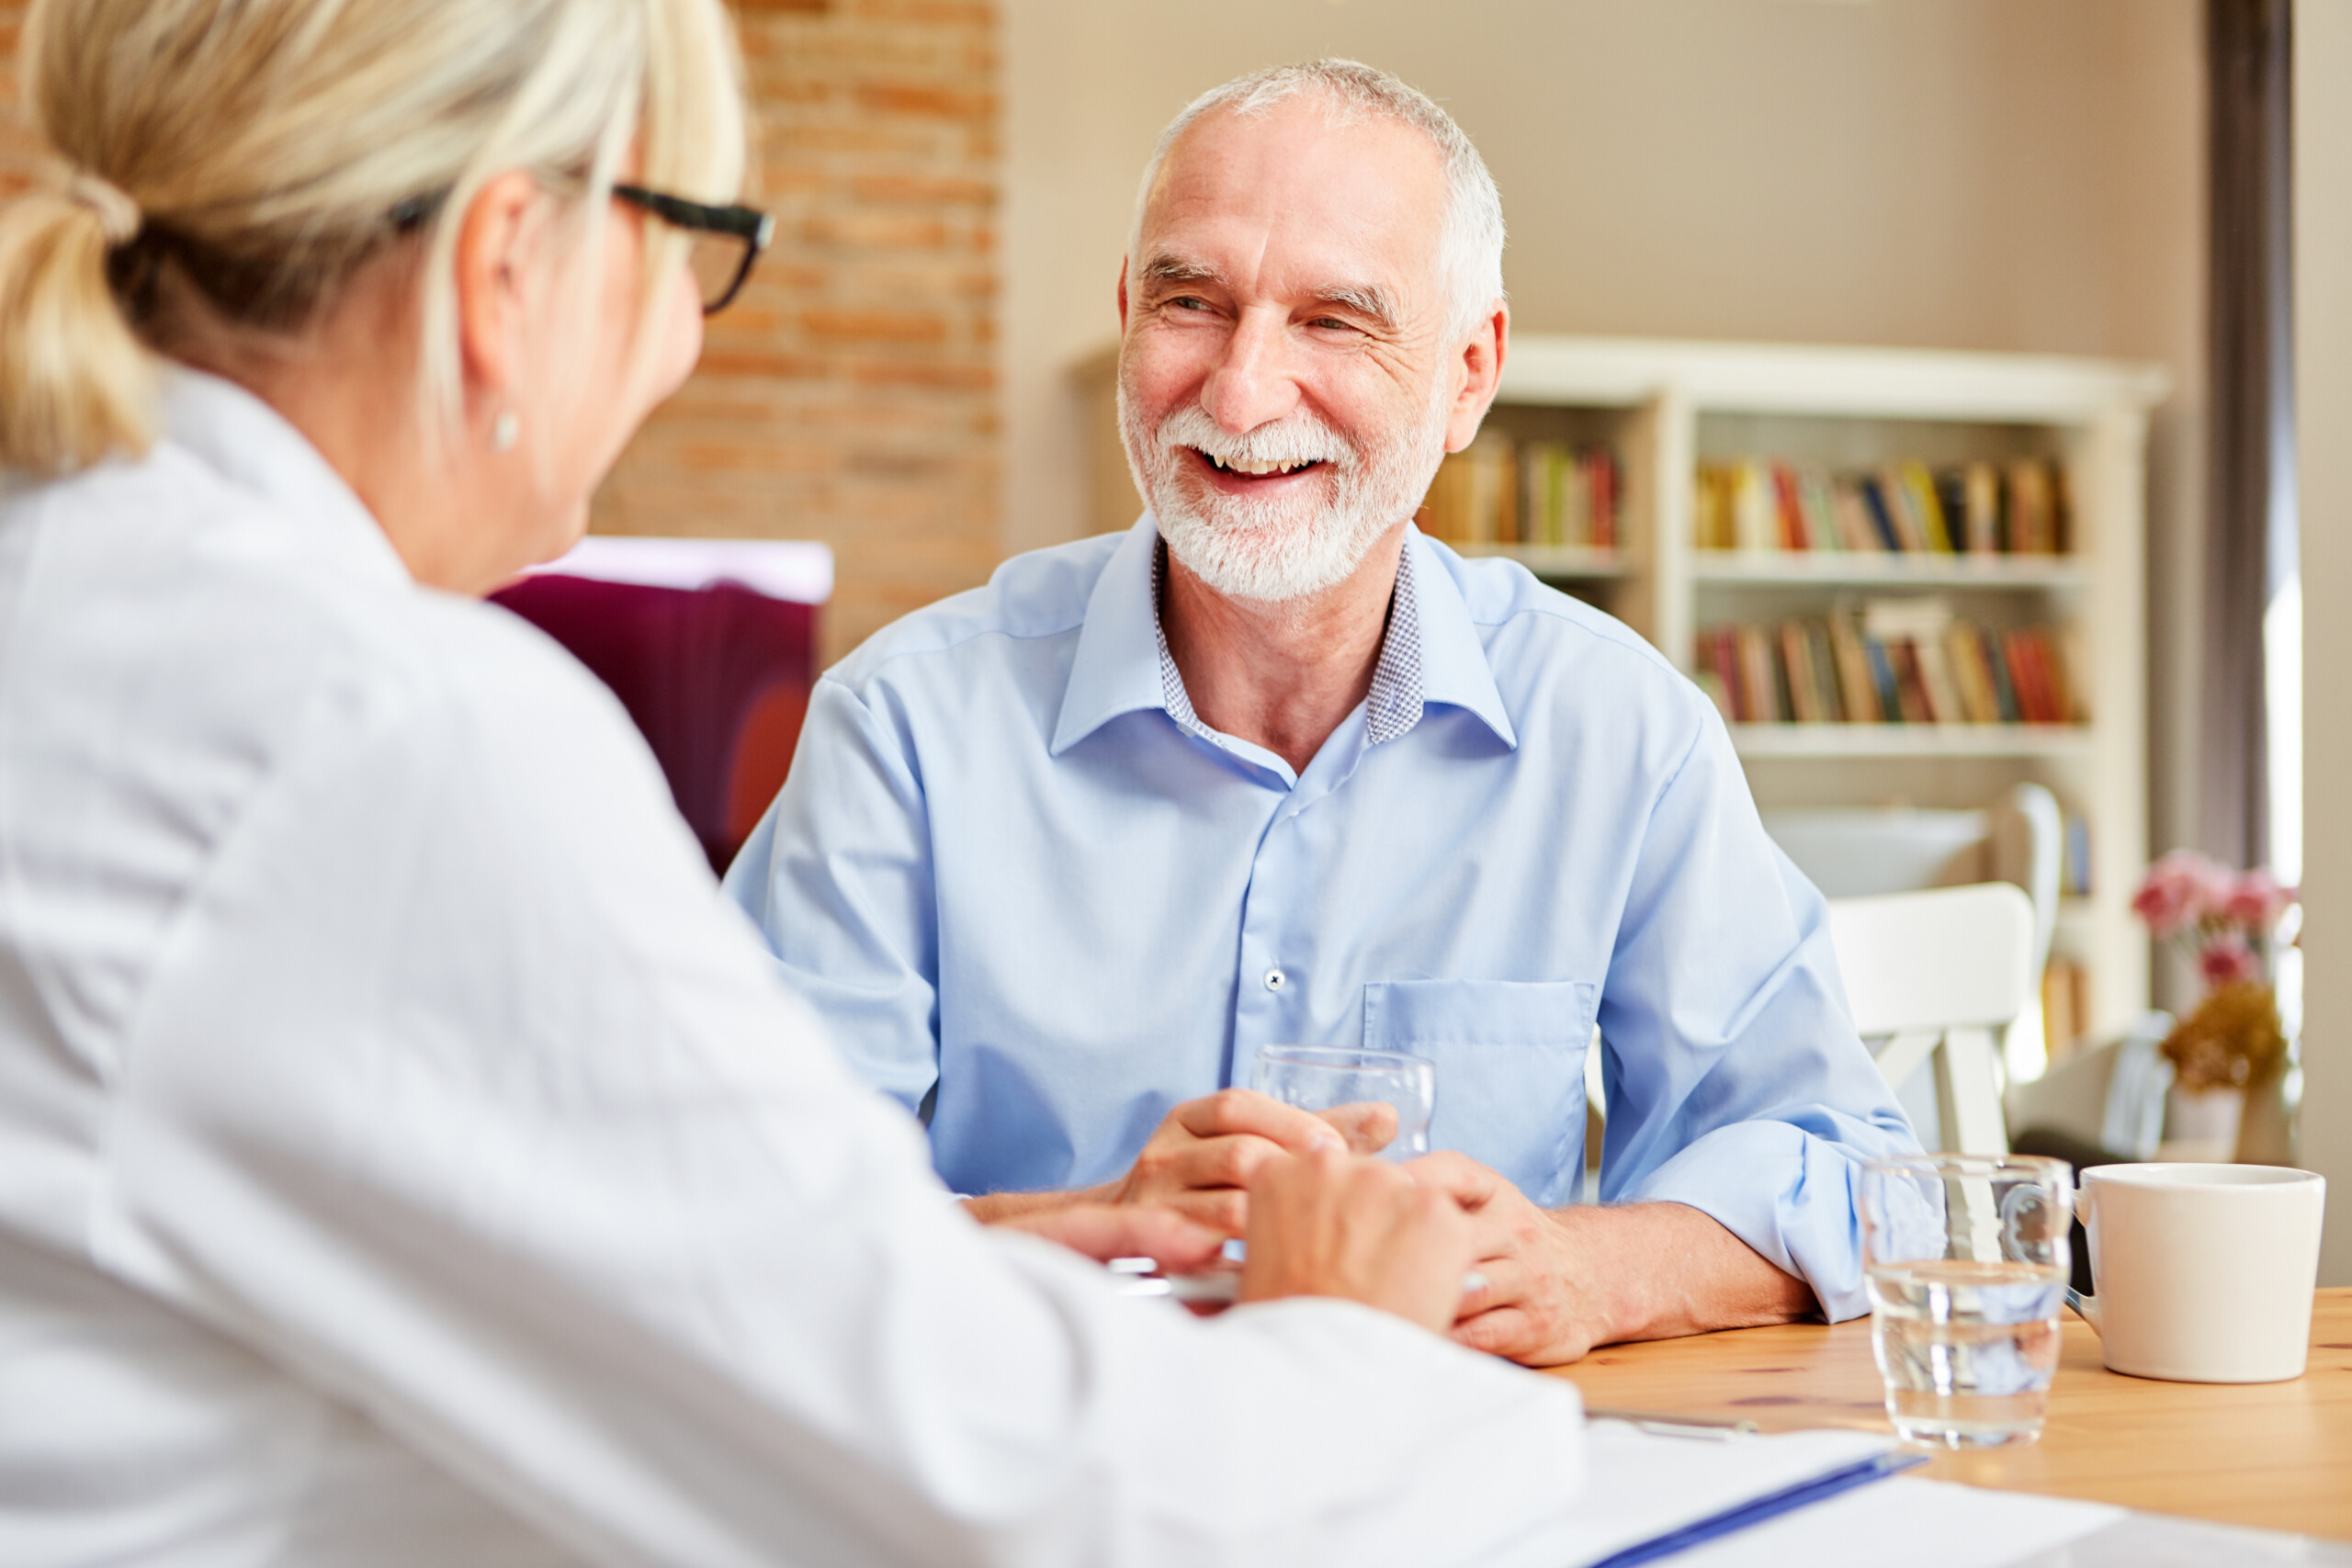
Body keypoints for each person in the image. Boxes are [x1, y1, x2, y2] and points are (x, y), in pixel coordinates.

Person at [0, 6, 1589, 1564]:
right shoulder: (379, 738)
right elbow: (1042, 1513)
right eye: (691, 248)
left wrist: (993, 1254)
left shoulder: (93, 603)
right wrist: (1354, 1333)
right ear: (505, 269)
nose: (687, 335)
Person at [727, 59, 1921, 1370]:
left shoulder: (1619, 733)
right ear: (1128, 316)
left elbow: (1844, 1165)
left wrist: (1591, 1269)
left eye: (1335, 322)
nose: (1241, 395)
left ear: (1469, 375)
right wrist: (1090, 1227)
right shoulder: (901, 728)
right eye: (1193, 303)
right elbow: (731, 1207)